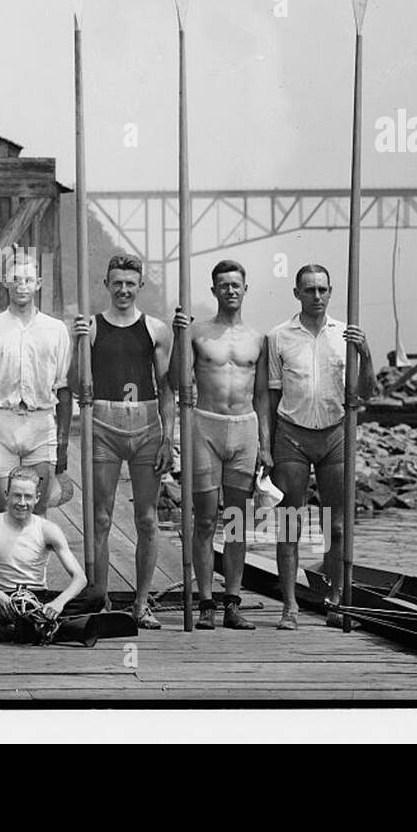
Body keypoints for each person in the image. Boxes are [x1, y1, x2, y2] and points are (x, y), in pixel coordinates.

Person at [264, 264, 375, 630]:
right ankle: (290, 607)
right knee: (290, 523)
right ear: (297, 293)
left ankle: (336, 599)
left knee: (338, 527)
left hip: (335, 435)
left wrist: (366, 353)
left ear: (331, 292)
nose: (317, 297)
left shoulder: (346, 334)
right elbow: (269, 395)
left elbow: (366, 393)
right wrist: (265, 444)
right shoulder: (279, 336)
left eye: (323, 290)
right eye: (309, 290)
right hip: (292, 436)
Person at [70, 254, 175, 630]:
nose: (124, 290)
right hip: (104, 429)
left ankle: (142, 604)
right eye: (117, 283)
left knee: (147, 520)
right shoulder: (92, 328)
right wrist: (78, 341)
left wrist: (168, 439)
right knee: (100, 517)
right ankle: (99, 596)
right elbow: (73, 380)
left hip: (147, 429)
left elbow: (167, 390)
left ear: (140, 286)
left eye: (131, 283)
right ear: (107, 284)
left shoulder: (157, 330)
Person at [170, 259, 267, 630]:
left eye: (236, 284)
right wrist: (180, 337)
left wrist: (265, 444)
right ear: (213, 291)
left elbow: (261, 397)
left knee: (237, 522)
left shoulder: (257, 339)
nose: (230, 290)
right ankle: (206, 601)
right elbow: (178, 380)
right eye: (223, 285)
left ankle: (233, 603)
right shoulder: (197, 333)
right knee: (206, 518)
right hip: (204, 425)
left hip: (243, 427)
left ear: (245, 289)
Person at [0, 467, 105, 642]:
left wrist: (59, 603)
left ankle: (9, 629)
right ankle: (47, 629)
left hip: (38, 597)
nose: (22, 503)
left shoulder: (48, 529)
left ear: (37, 498)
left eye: (28, 497)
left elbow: (80, 578)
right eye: (17, 495)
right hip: (3, 598)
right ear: (7, 495)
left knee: (97, 593)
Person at [0, 252, 71, 515]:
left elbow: (63, 388)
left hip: (40, 422)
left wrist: (62, 444)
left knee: (37, 511)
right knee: (1, 509)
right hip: (1, 421)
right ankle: (0, 557)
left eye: (28, 279)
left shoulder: (56, 329)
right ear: (5, 282)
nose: (22, 285)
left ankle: (35, 558)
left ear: (38, 283)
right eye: (16, 279)